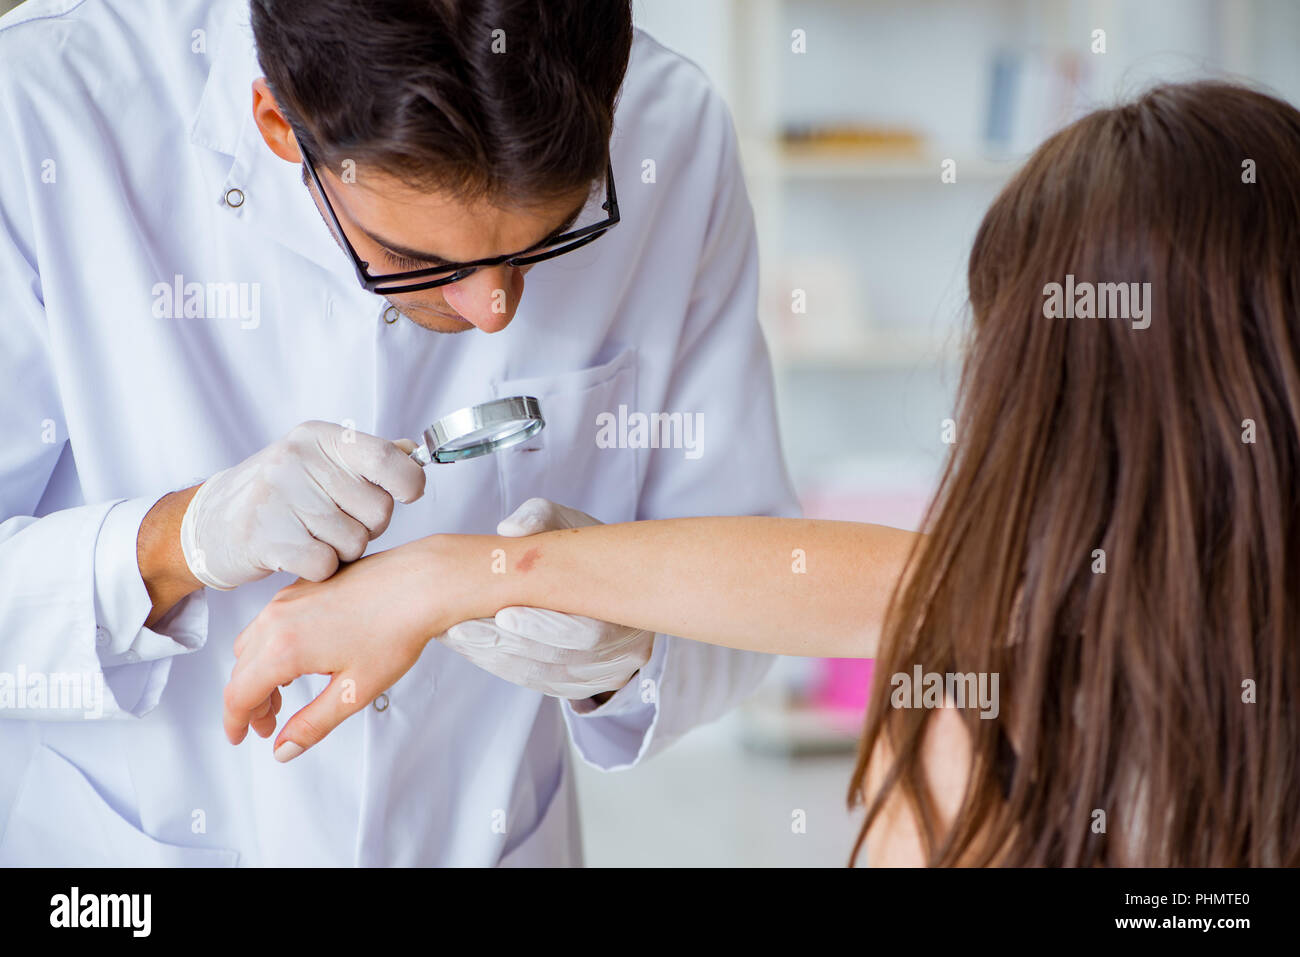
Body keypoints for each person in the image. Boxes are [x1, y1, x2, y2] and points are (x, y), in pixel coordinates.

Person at [226, 82, 1300, 867]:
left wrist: (474, 574)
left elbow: (953, 593)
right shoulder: (1088, 636)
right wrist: (484, 572)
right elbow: (941, 585)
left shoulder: (978, 731)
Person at [0, 0, 798, 866]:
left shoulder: (670, 127)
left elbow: (762, 578)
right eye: (423, 260)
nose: (495, 312)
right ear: (275, 121)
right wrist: (178, 540)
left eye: (552, 241)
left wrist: (628, 645)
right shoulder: (43, 106)